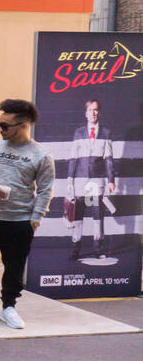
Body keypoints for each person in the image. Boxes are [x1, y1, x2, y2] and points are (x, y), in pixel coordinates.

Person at [0, 98, 55, 329]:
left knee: (14, 266)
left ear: (24, 125)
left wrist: (36, 219)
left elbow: (46, 190)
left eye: (5, 126)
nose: (0, 129)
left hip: (19, 220)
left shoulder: (41, 155)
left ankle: (8, 307)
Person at [66, 99, 116, 261]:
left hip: (98, 182)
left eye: (95, 110)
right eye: (90, 110)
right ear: (86, 113)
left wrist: (110, 180)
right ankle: (76, 248)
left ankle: (98, 249)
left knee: (97, 217)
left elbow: (108, 159)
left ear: (98, 112)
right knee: (77, 216)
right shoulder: (78, 132)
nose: (93, 113)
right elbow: (73, 159)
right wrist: (70, 181)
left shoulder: (106, 133)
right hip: (80, 182)